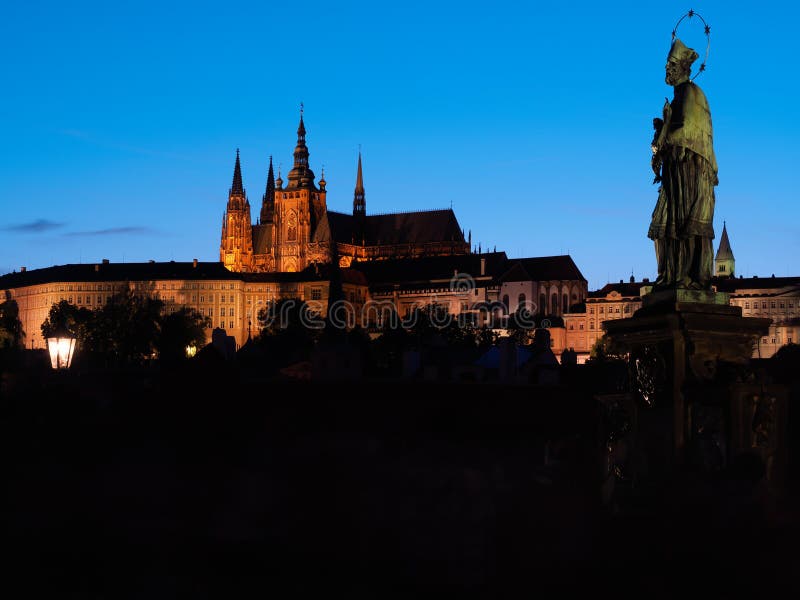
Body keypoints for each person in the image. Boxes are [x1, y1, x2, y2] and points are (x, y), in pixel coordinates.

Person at [648, 38, 718, 290]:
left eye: (672, 65)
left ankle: (686, 276)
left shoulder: (691, 93)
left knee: (685, 222)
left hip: (689, 169)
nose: (667, 69)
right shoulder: (677, 98)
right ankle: (671, 274)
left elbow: (688, 131)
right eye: (667, 65)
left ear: (684, 68)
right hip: (674, 169)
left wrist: (665, 133)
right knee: (664, 223)